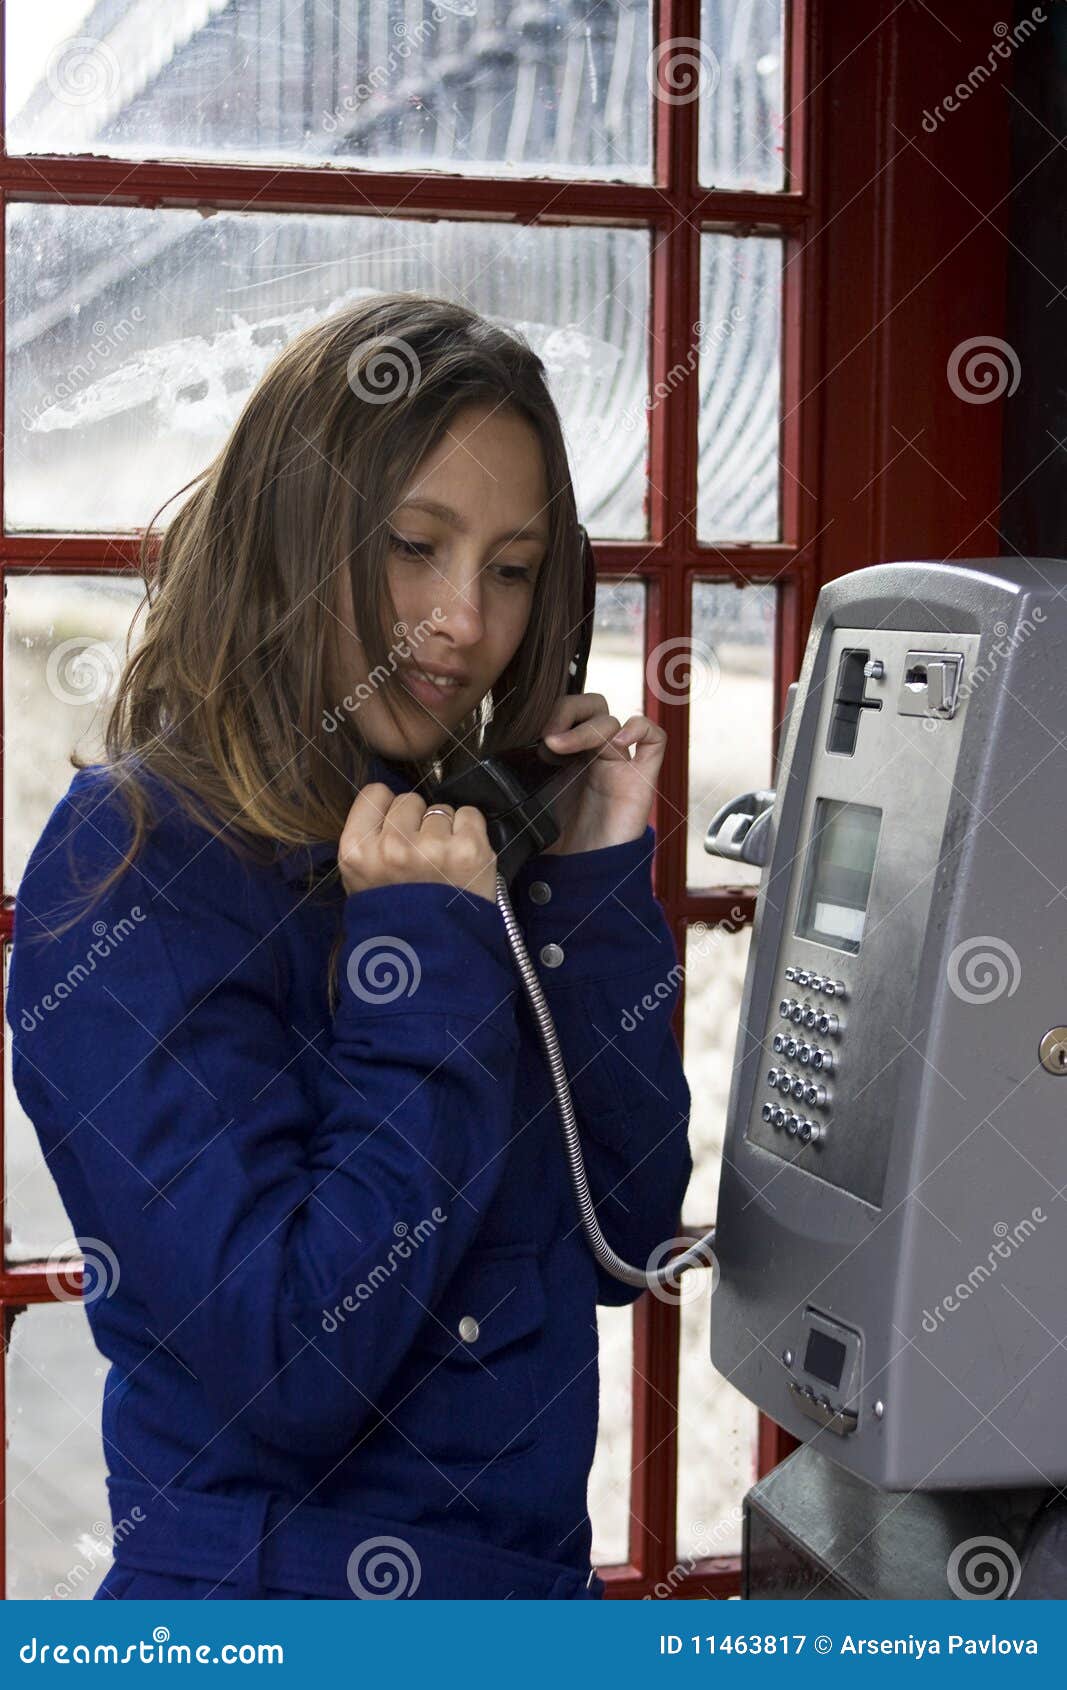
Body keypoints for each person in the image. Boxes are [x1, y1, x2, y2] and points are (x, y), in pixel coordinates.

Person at [7, 293, 693, 1601]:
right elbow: (291, 1361)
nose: (462, 620)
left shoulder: (455, 839)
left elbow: (631, 1228)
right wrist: (424, 960)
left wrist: (592, 877)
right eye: (412, 547)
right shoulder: (134, 864)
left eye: (510, 569)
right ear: (293, 534)